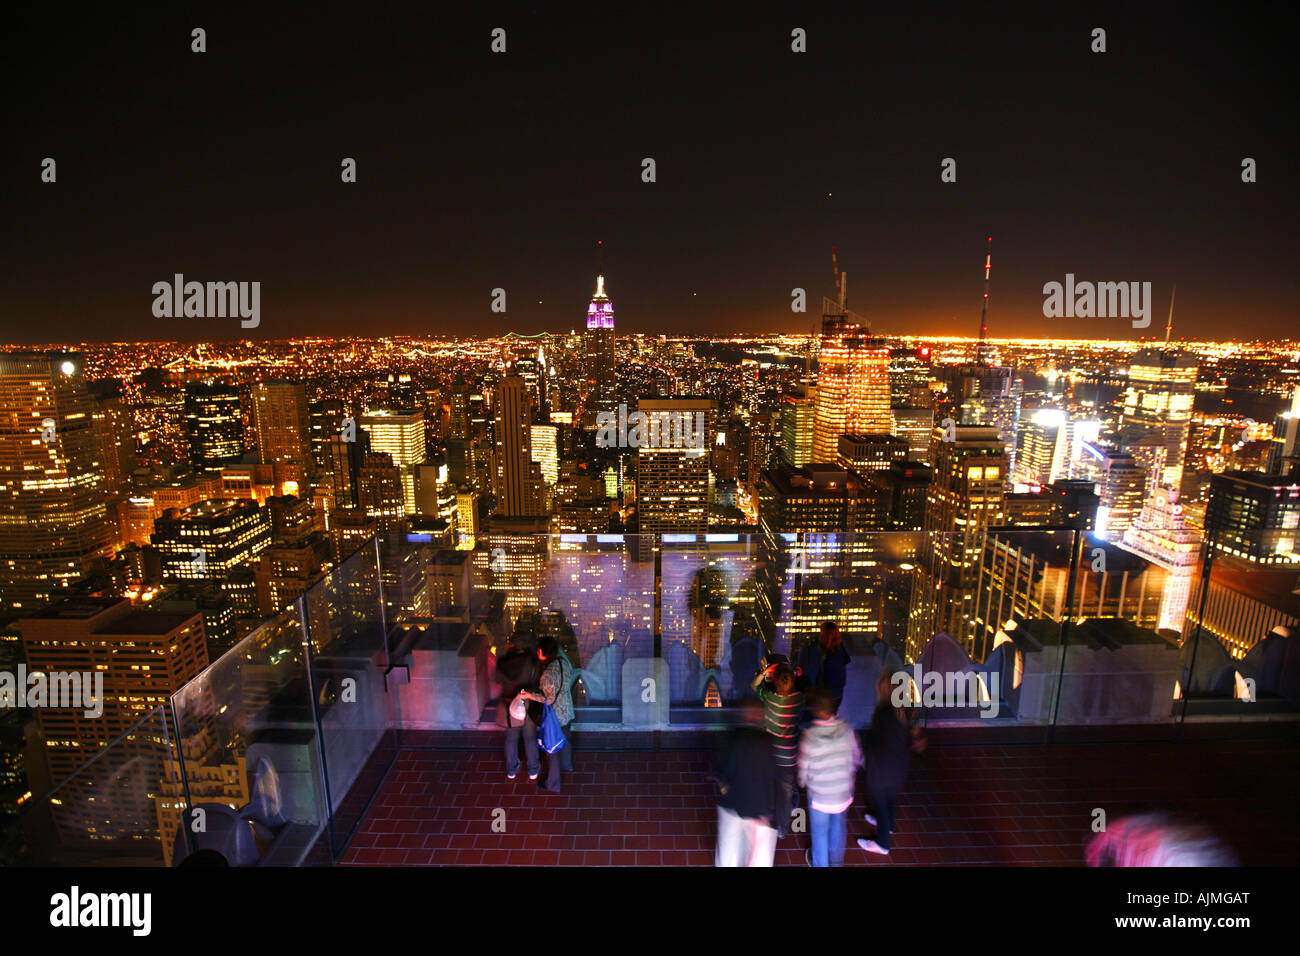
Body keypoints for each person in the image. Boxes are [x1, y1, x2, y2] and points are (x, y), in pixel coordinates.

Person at [798, 685, 863, 867]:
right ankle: (836, 862)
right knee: (838, 827)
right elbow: (856, 758)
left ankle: (820, 863)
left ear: (814, 710)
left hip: (820, 796)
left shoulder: (809, 736)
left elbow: (803, 771)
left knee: (819, 832)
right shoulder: (847, 729)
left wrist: (803, 781)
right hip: (842, 792)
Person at [714, 700, 780, 866]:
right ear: (762, 718)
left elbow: (726, 770)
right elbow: (775, 773)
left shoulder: (735, 738)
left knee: (729, 847)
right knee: (757, 854)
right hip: (760, 805)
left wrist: (722, 784)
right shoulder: (770, 741)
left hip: (734, 801)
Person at [858, 667, 911, 856]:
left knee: (880, 799)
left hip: (883, 766)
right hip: (899, 765)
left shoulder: (884, 712)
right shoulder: (904, 708)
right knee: (890, 797)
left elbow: (875, 741)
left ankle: (882, 843)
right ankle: (887, 824)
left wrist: (866, 757)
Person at [750, 660, 804, 837]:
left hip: (771, 754)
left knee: (767, 784)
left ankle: (763, 819)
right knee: (786, 791)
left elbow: (754, 685)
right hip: (789, 756)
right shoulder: (798, 699)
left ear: (775, 681)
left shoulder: (769, 698)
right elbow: (806, 684)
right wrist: (796, 674)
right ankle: (782, 829)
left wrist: (765, 672)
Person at [494, 642, 542, 781]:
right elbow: (537, 681)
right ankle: (533, 770)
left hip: (509, 704)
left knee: (511, 738)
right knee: (530, 737)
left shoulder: (503, 662)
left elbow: (497, 680)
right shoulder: (532, 661)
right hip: (527, 702)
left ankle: (511, 770)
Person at [537, 636, 575, 793]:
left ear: (541, 652)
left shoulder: (547, 675)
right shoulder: (564, 662)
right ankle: (567, 766)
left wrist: (530, 696)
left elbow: (548, 700)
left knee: (552, 751)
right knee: (566, 740)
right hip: (567, 709)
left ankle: (553, 783)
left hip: (555, 716)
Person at [817, 622, 851, 714]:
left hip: (827, 694)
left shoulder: (826, 655)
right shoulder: (839, 649)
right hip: (838, 693)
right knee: (832, 715)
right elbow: (848, 660)